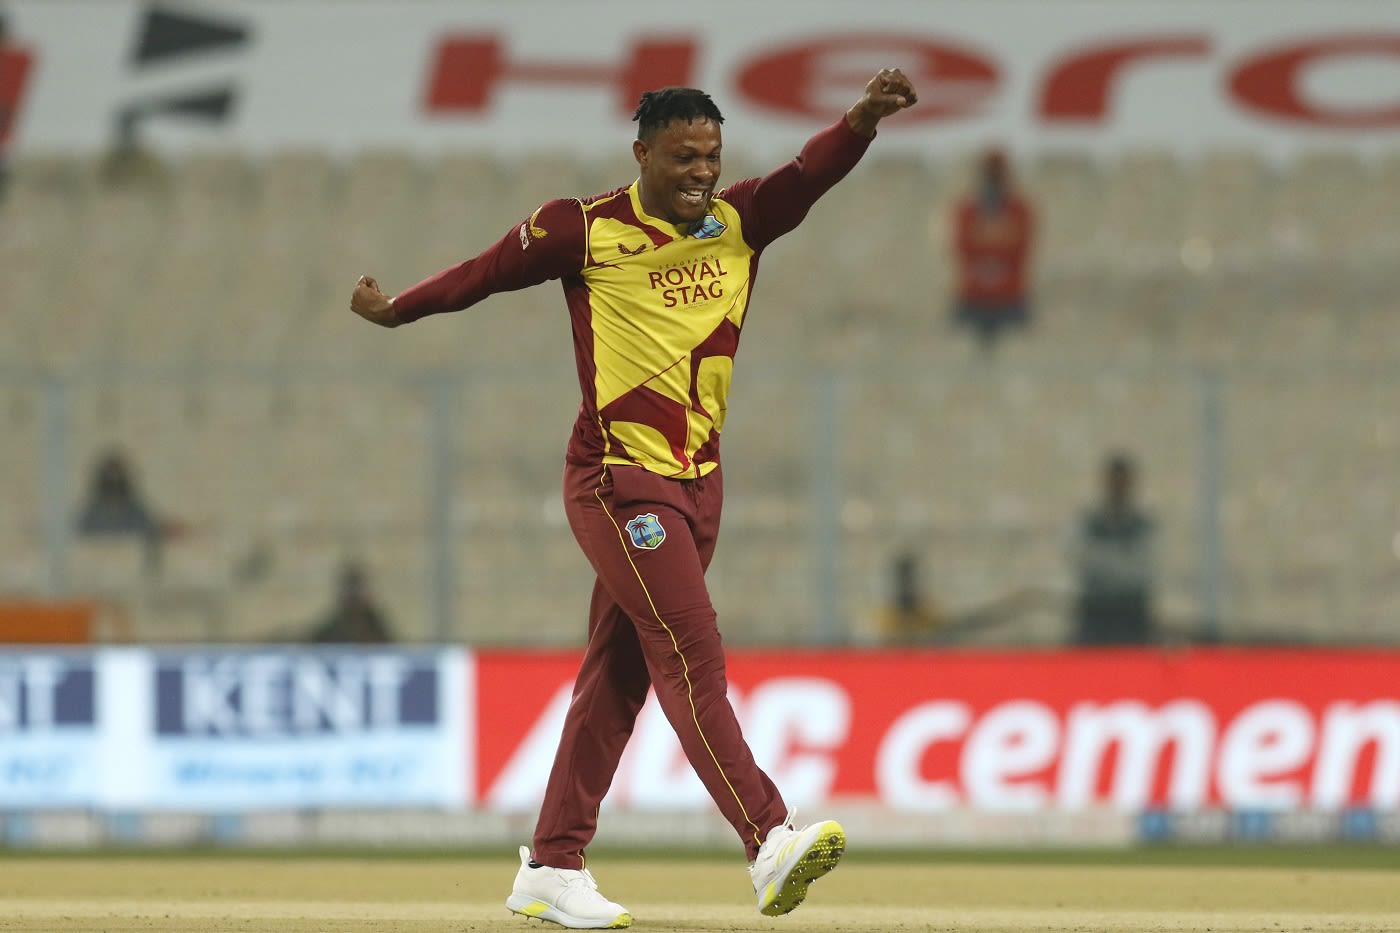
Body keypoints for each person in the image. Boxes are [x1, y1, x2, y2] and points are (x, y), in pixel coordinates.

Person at [351, 69, 918, 929]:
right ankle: (769, 838)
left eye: (714, 156)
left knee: (618, 674)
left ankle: (551, 863)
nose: (702, 171)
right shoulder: (584, 228)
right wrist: (398, 311)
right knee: (691, 653)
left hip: (699, 484)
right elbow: (487, 271)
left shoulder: (739, 223)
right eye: (685, 156)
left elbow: (807, 176)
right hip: (619, 480)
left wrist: (862, 122)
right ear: (642, 153)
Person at [950, 147, 1034, 351]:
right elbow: (964, 247)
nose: (993, 178)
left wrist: (985, 237)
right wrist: (1000, 237)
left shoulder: (1020, 209)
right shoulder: (967, 209)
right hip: (972, 297)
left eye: (997, 171)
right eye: (990, 171)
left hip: (1011, 297)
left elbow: (1020, 248)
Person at [1068, 452, 1156, 646]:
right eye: (1114, 482)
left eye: (1122, 482)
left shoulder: (1141, 526)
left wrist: (1106, 564)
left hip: (1131, 621)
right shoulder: (1090, 524)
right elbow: (1083, 562)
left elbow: (1140, 571)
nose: (1118, 488)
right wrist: (1120, 559)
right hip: (1095, 620)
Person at [75, 449, 165, 573]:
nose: (114, 481)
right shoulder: (91, 513)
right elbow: (80, 540)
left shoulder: (136, 511)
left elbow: (150, 535)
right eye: (110, 477)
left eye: (118, 476)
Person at [308, 560, 395, 644]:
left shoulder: (376, 628)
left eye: (359, 590)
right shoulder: (331, 630)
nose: (354, 595)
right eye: (350, 589)